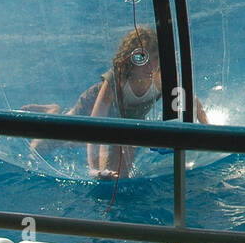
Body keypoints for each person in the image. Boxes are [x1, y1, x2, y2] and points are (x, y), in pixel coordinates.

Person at [22, 26, 209, 178]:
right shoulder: (117, 80)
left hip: (123, 121)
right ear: (131, 59)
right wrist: (94, 169)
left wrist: (209, 129)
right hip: (90, 104)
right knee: (41, 147)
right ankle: (53, 111)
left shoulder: (160, 78)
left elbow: (191, 100)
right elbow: (94, 124)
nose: (151, 66)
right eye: (143, 58)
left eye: (156, 58)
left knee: (121, 170)